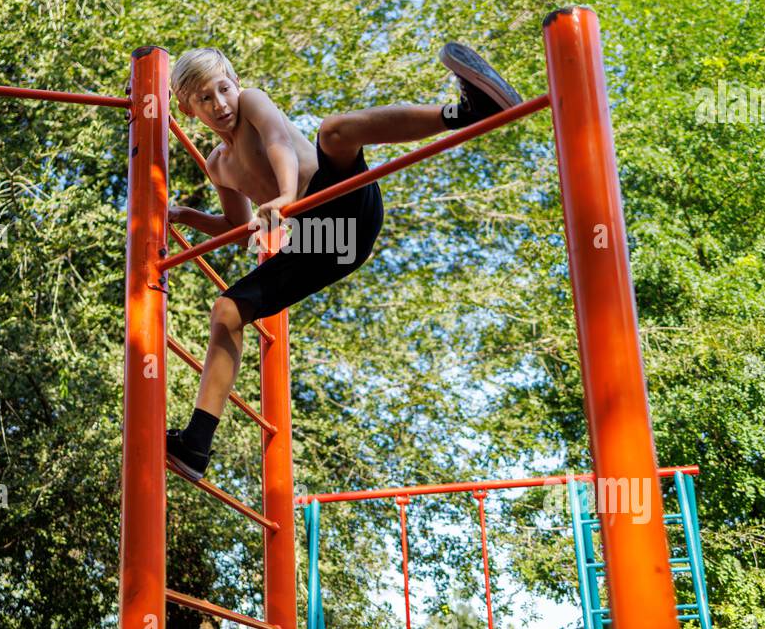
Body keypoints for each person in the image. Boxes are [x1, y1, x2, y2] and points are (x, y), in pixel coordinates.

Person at [165, 42, 522, 479]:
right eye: (205, 98)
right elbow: (233, 224)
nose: (220, 104)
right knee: (226, 310)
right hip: (325, 241)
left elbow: (278, 141)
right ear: (187, 109)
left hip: (344, 201)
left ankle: (467, 113)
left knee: (334, 131)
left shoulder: (253, 101)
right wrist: (184, 216)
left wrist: (284, 198)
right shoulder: (218, 165)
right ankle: (196, 445)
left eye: (223, 89)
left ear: (236, 83)